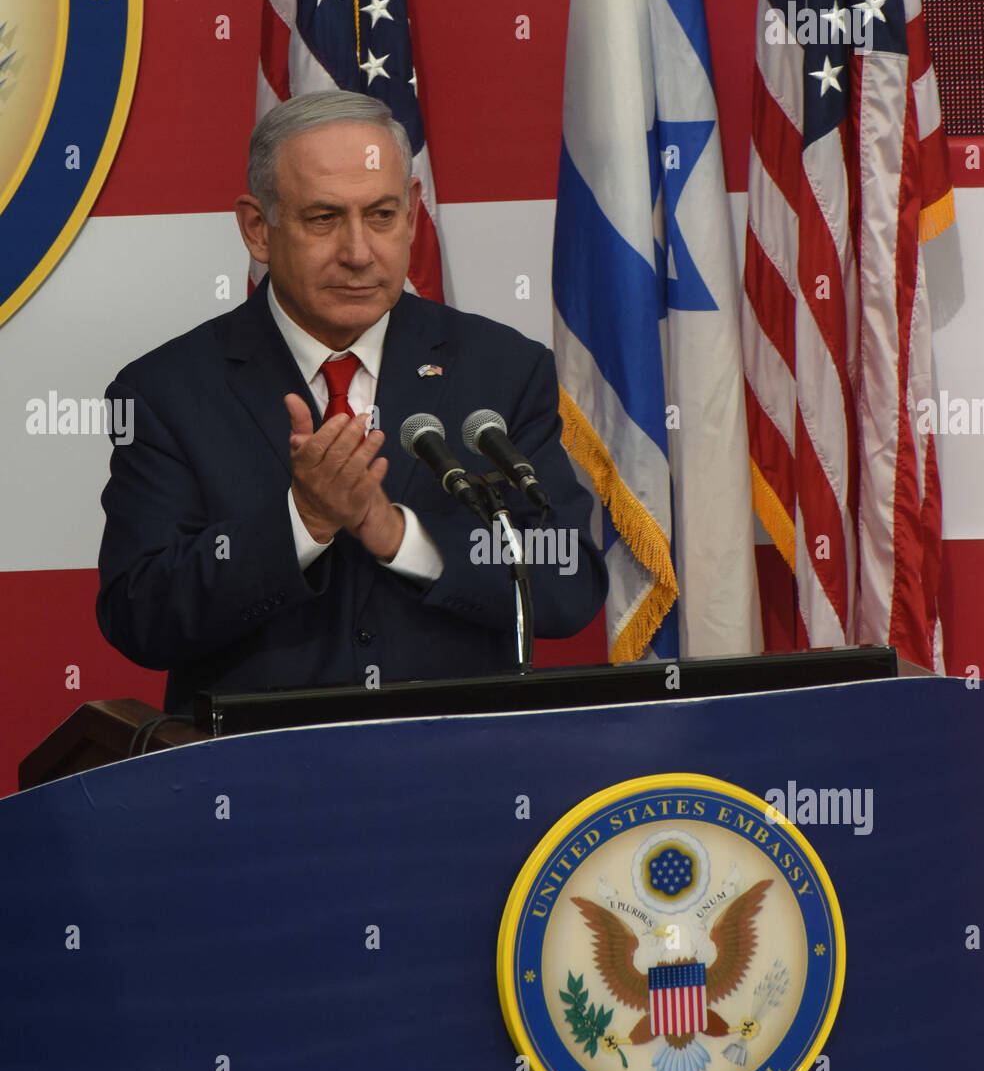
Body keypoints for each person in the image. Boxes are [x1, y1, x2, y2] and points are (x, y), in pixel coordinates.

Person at [97, 92, 607, 711]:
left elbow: (567, 578)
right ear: (258, 228)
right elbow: (139, 614)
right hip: (254, 779)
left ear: (414, 214)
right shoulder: (166, 392)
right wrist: (302, 523)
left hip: (460, 770)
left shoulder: (501, 370)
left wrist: (399, 535)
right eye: (323, 219)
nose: (359, 252)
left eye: (383, 215)